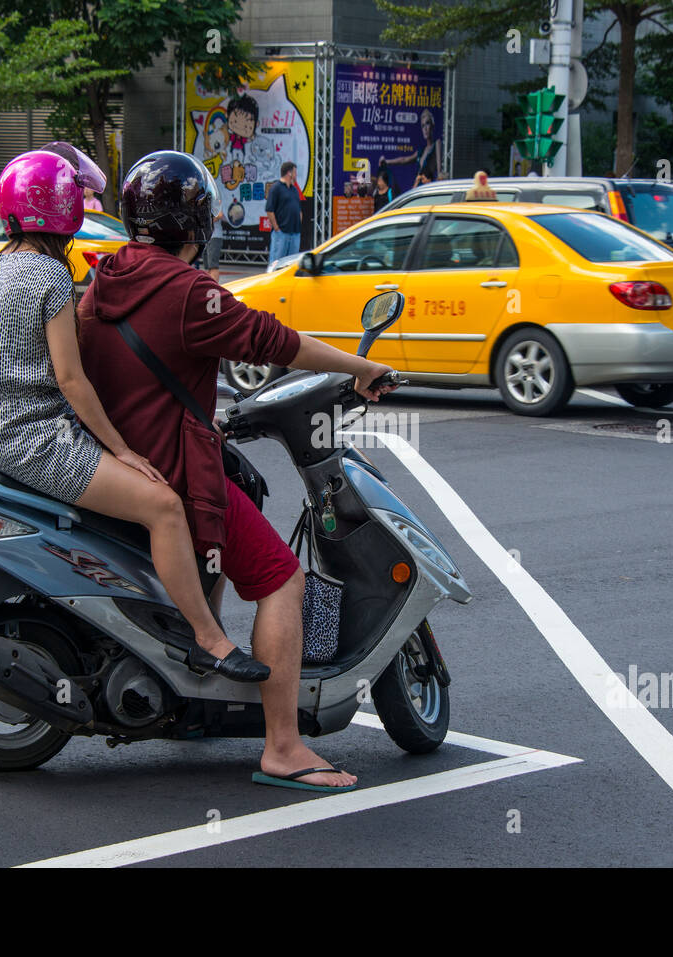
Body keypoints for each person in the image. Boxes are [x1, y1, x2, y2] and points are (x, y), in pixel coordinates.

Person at [77, 150, 401, 792]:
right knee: (281, 579)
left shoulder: (106, 277)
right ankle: (283, 746)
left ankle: (202, 674)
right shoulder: (189, 291)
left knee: (242, 487)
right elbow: (276, 341)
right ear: (196, 218)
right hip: (173, 468)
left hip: (116, 460)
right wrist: (359, 368)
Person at [0, 142, 268, 687]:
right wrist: (122, 450)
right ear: (64, 211)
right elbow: (73, 380)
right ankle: (209, 640)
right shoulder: (50, 277)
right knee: (165, 506)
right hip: (35, 438)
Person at [381, 107, 442, 184]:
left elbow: (439, 173)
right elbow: (404, 160)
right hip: (418, 187)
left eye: (427, 123)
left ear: (432, 125)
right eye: (423, 126)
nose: (425, 129)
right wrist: (387, 162)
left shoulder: (437, 144)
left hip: (429, 188)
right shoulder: (421, 151)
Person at [264, 160, 302, 264]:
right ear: (289, 173)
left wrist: (299, 222)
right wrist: (276, 228)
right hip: (282, 233)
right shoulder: (276, 188)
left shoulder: (294, 190)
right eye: (295, 172)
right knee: (277, 262)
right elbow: (269, 209)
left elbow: (298, 209)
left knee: (292, 264)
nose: (296, 175)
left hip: (295, 233)